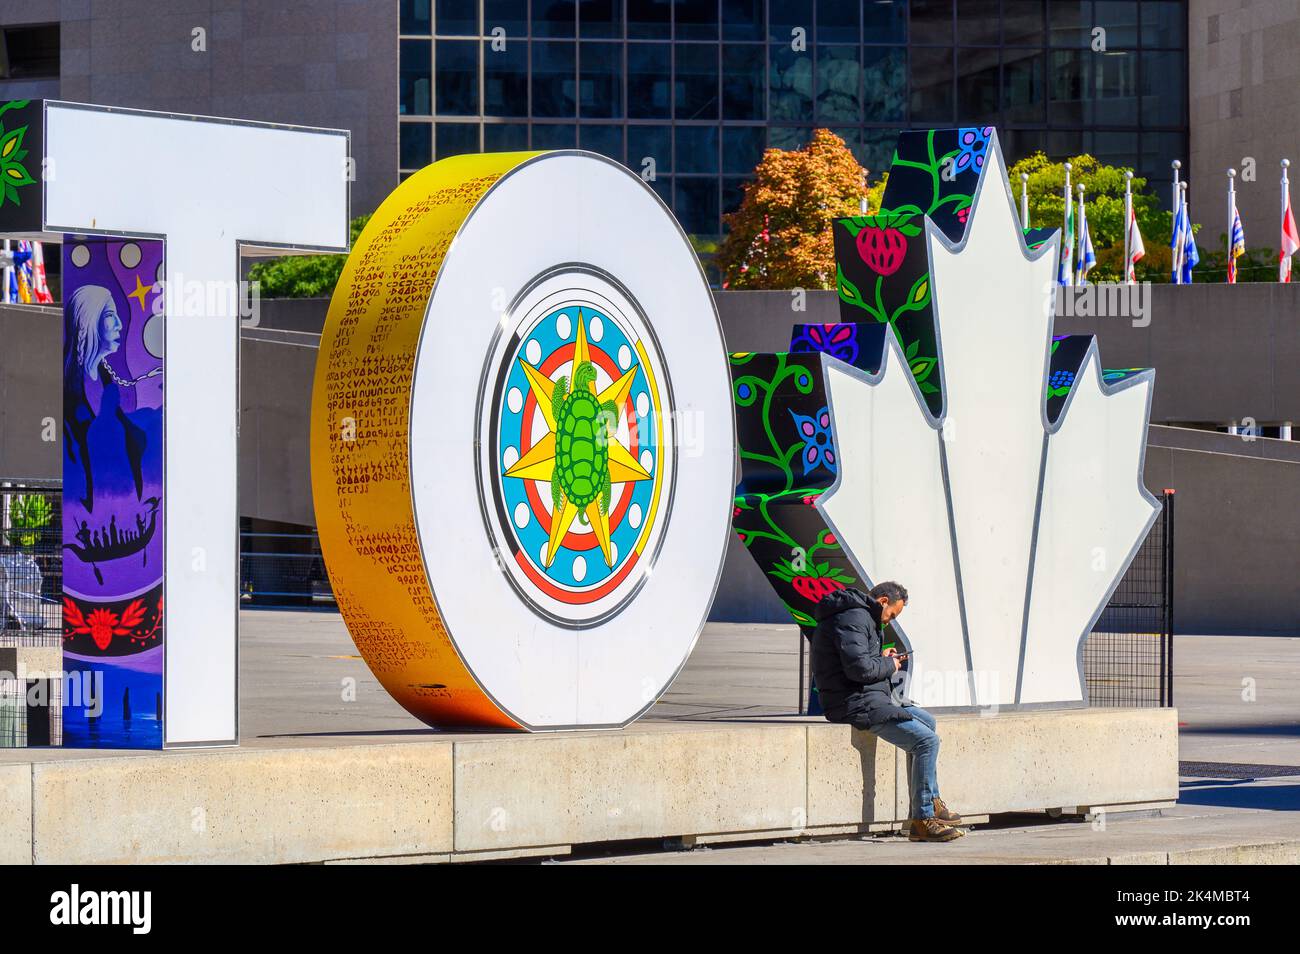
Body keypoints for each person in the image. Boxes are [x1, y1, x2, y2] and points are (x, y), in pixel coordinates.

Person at [810, 581, 967, 843]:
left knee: (927, 722)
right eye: (892, 614)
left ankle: (931, 802)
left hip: (867, 696)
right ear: (883, 601)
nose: (890, 620)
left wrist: (881, 656)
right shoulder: (855, 617)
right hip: (853, 703)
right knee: (927, 741)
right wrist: (890, 665)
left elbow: (858, 660)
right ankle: (922, 819)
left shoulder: (859, 615)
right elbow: (859, 671)